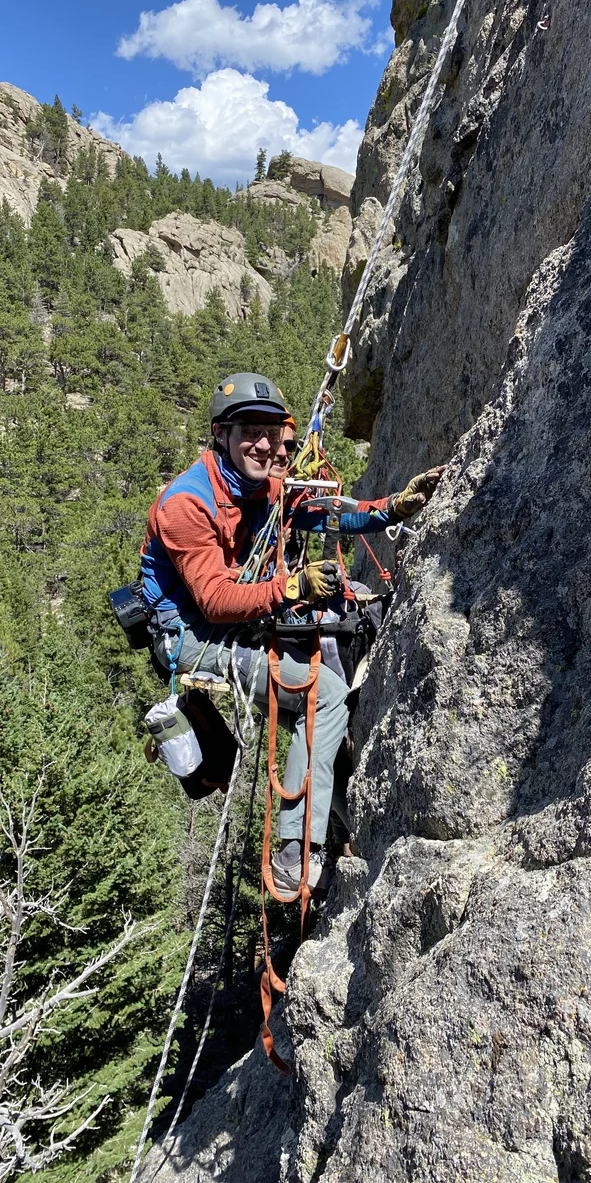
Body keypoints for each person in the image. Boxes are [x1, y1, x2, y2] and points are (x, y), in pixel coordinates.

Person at [141, 372, 444, 894]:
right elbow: (213, 600)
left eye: (271, 432)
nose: (264, 444)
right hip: (190, 636)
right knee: (322, 696)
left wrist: (393, 507)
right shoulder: (186, 504)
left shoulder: (263, 487)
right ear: (221, 434)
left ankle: (345, 823)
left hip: (240, 620)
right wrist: (293, 585)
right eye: (249, 432)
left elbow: (326, 514)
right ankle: (294, 854)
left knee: (331, 689)